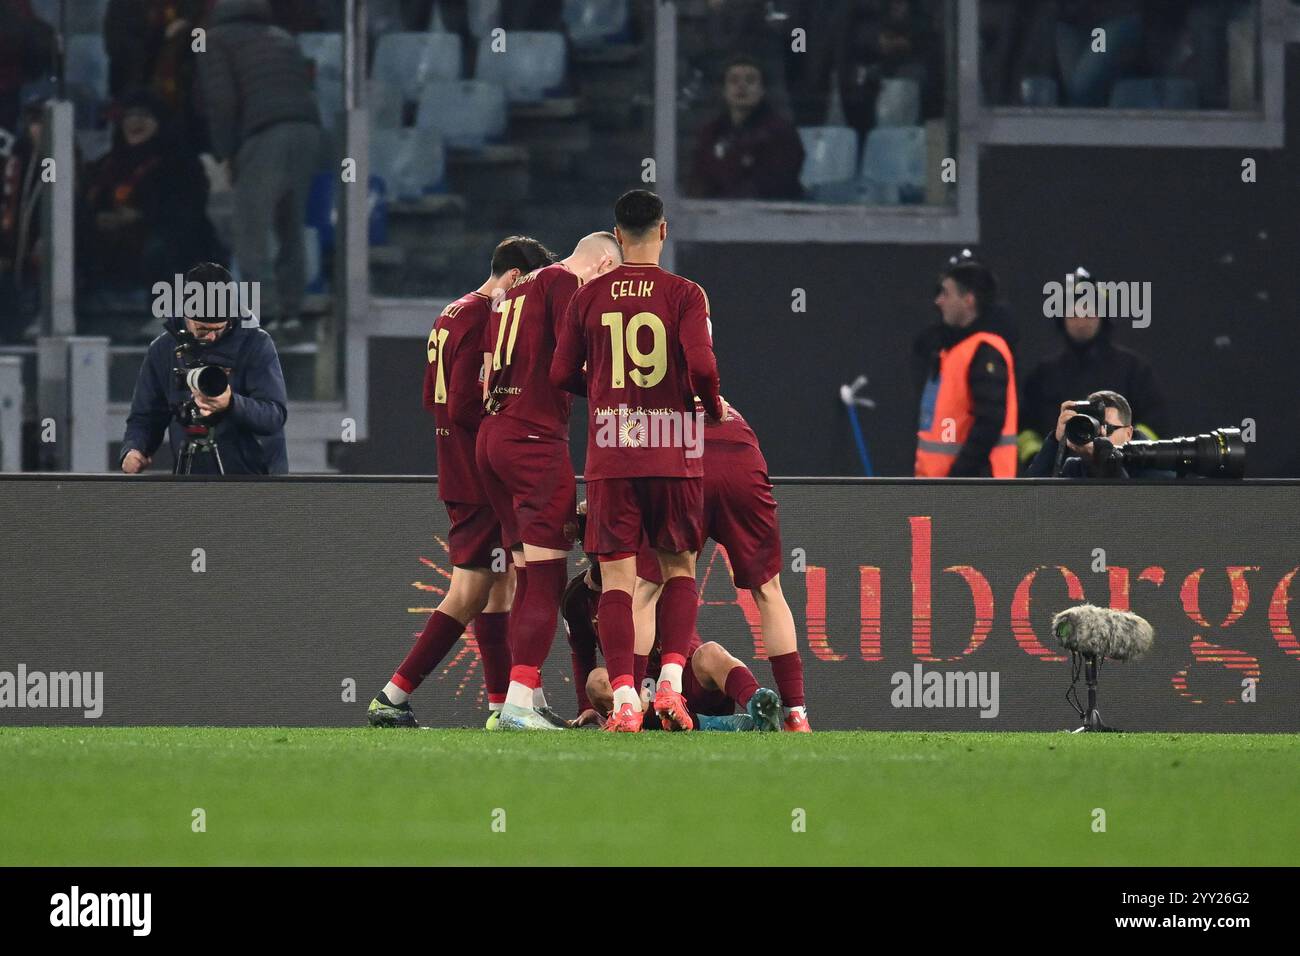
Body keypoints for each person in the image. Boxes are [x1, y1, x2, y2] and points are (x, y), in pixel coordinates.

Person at [551, 189, 725, 733]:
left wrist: (602, 388)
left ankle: (625, 698)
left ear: (617, 234)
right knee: (678, 569)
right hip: (673, 445)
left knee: (618, 581)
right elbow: (701, 363)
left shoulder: (589, 297)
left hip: (612, 448)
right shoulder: (686, 294)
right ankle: (670, 687)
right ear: (663, 231)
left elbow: (559, 374)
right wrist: (710, 404)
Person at [367, 237, 555, 729]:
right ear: (515, 278)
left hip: (458, 466)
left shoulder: (450, 313)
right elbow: (463, 405)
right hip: (476, 474)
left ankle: (499, 707)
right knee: (472, 589)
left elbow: (432, 397)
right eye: (529, 287)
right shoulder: (479, 317)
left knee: (498, 588)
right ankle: (393, 694)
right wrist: (509, 419)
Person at [476, 231, 622, 731]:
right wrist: (613, 387)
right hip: (534, 441)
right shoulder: (563, 282)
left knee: (522, 574)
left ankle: (526, 702)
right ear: (604, 263)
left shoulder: (511, 290)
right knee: (546, 578)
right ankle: (518, 703)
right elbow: (569, 366)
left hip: (493, 435)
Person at [197, 0, 322, 331]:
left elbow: (221, 101)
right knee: (291, 225)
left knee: (250, 228)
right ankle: (292, 310)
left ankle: (262, 313)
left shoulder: (216, 39)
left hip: (265, 133)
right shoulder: (281, 35)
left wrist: (226, 152)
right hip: (307, 129)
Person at [561, 565, 783, 733]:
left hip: (685, 677)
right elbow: (582, 654)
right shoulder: (577, 597)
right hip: (638, 691)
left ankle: (759, 707)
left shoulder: (655, 571)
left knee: (710, 652)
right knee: (597, 680)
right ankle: (708, 724)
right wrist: (585, 706)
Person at [121, 261, 289, 475]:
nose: (210, 336)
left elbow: (274, 415)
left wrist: (231, 403)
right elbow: (145, 415)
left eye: (218, 329)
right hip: (192, 480)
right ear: (185, 316)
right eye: (201, 329)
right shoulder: (164, 349)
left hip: (254, 480)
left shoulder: (256, 344)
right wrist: (134, 448)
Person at [78, 88, 219, 313]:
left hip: (171, 240)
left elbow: (187, 211)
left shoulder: (181, 162)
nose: (135, 122)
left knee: (164, 246)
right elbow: (91, 201)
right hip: (117, 243)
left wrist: (140, 216)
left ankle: (168, 312)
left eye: (144, 115)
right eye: (129, 116)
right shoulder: (109, 163)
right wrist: (100, 217)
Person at [1018, 266, 1166, 469]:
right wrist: (1043, 455)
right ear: (1061, 319)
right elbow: (1026, 428)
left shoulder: (1133, 369)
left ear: (1103, 317)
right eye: (1073, 312)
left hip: (1122, 476)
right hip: (1056, 479)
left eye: (1089, 310)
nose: (1081, 320)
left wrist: (1129, 454)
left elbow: (1155, 420)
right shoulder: (1043, 375)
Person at [914, 259, 1018, 477]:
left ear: (968, 300)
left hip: (972, 492)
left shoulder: (984, 350)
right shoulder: (953, 350)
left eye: (946, 293)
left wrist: (958, 478)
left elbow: (989, 422)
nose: (939, 301)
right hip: (945, 488)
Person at [687, 54, 805, 201]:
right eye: (734, 80)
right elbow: (698, 180)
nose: (741, 86)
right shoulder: (711, 133)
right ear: (724, 90)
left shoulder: (781, 133)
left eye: (750, 80)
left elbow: (777, 184)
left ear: (762, 90)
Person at [1025, 389, 1171, 479]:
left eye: (1107, 427)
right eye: (1093, 426)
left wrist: (1106, 460)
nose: (1100, 434)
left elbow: (1129, 511)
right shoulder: (1075, 468)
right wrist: (1056, 441)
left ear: (1128, 433)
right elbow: (1031, 499)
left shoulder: (1152, 466)